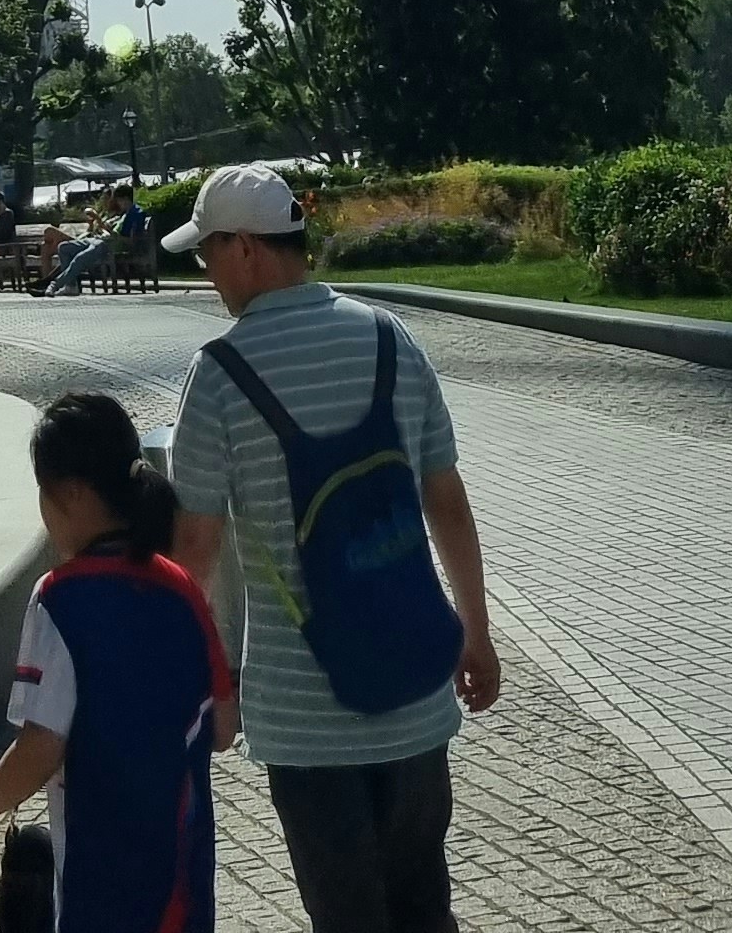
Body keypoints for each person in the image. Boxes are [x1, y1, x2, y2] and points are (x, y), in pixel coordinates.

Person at [165, 162, 499, 933]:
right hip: (417, 691)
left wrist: (211, 684)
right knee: (422, 904)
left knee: (347, 917)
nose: (208, 271)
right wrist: (475, 634)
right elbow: (446, 502)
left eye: (208, 252)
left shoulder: (218, 378)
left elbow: (196, 552)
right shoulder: (391, 340)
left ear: (245, 248)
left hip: (302, 715)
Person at [0, 390, 236, 932]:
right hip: (183, 886)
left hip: (104, 890)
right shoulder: (185, 591)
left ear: (69, 493)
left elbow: (41, 748)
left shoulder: (60, 600)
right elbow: (222, 730)